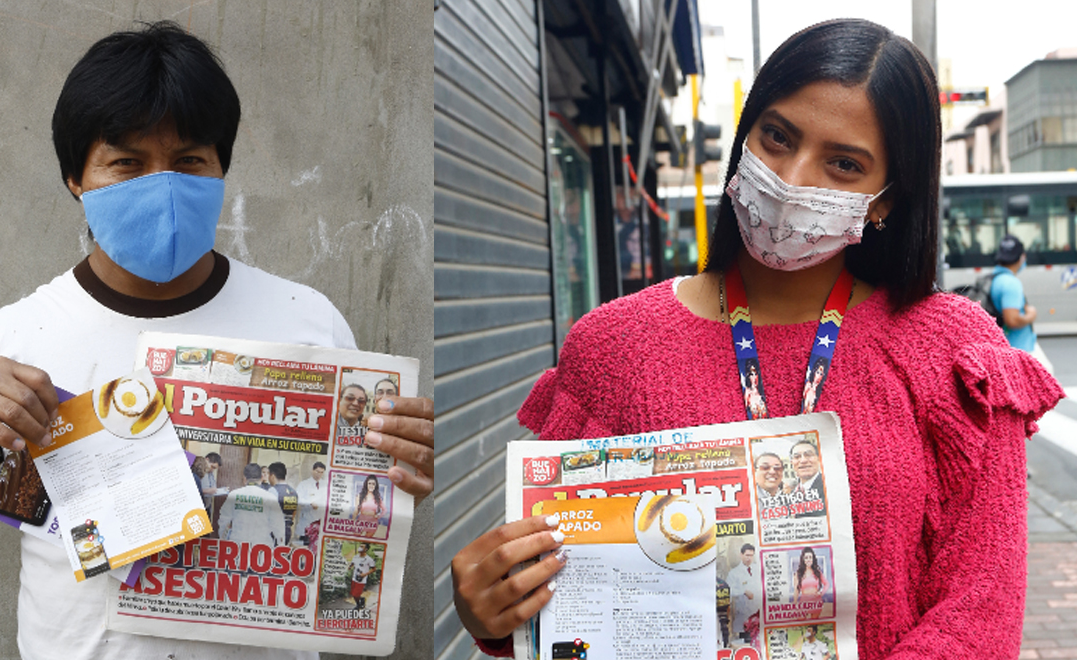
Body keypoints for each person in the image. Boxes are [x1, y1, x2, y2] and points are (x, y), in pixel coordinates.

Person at [451, 18, 1062, 659]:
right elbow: (563, 597)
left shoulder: (953, 352)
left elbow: (979, 615)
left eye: (844, 164)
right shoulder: (612, 346)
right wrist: (493, 613)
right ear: (744, 136)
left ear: (887, 199)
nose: (793, 178)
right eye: (777, 137)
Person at [0, 22, 435, 660]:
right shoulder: (16, 338)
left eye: (189, 161)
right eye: (127, 163)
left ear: (222, 170)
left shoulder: (308, 322)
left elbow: (361, 508)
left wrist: (401, 470)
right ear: (75, 180)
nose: (162, 185)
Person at [990, 235, 1054, 371]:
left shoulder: (994, 278)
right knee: (1047, 378)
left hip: (1008, 349)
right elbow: (1012, 320)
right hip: (1019, 350)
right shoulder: (1011, 283)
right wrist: (1031, 315)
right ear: (1021, 258)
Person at [218, 463, 284, 547]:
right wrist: (281, 545)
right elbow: (278, 525)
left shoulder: (234, 494)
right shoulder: (269, 497)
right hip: (261, 547)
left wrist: (223, 541)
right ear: (261, 478)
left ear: (245, 479)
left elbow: (224, 521)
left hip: (237, 544)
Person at [725, 544, 761, 645]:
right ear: (741, 555)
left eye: (751, 555)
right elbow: (728, 590)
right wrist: (743, 591)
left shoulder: (758, 569)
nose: (749, 558)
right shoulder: (734, 573)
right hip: (744, 617)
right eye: (747, 555)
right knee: (746, 644)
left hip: (758, 616)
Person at [788, 440, 827, 518]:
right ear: (792, 463)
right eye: (797, 457)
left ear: (819, 459)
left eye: (808, 455)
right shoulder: (793, 493)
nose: (803, 461)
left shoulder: (828, 487)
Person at [295, 461, 328, 545]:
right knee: (306, 545)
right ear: (312, 470)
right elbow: (297, 499)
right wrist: (310, 502)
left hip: (319, 521)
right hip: (307, 521)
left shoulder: (325, 485)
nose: (319, 474)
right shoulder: (304, 484)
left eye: (321, 472)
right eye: (317, 471)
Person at [267, 462, 298, 545]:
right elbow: (294, 512)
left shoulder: (273, 491)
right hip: (287, 530)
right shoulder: (293, 492)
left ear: (272, 476)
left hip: (274, 531)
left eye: (269, 475)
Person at [793, 547, 828, 618]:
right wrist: (794, 603)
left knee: (814, 624)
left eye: (810, 557)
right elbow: (796, 590)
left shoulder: (817, 572)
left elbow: (827, 584)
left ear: (813, 559)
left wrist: (821, 593)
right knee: (801, 623)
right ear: (803, 559)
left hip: (816, 601)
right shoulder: (798, 574)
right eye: (806, 557)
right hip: (804, 602)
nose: (808, 559)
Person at [347, 543, 377, 611]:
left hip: (361, 580)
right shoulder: (356, 557)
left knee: (355, 594)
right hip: (354, 578)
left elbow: (374, 569)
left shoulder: (369, 559)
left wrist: (365, 574)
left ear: (366, 549)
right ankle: (361, 600)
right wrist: (350, 566)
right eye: (360, 546)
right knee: (353, 593)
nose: (360, 548)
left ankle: (358, 605)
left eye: (362, 547)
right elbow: (353, 563)